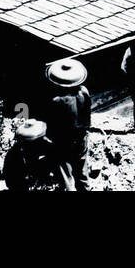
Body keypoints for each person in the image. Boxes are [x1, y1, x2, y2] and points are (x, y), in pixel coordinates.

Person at [44, 58, 91, 191]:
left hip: (63, 142)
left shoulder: (57, 101)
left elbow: (51, 125)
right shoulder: (84, 92)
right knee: (82, 172)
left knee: (65, 175)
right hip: (82, 138)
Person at [3, 119, 61, 191]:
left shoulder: (43, 144)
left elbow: (55, 155)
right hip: (21, 179)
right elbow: (12, 181)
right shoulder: (14, 155)